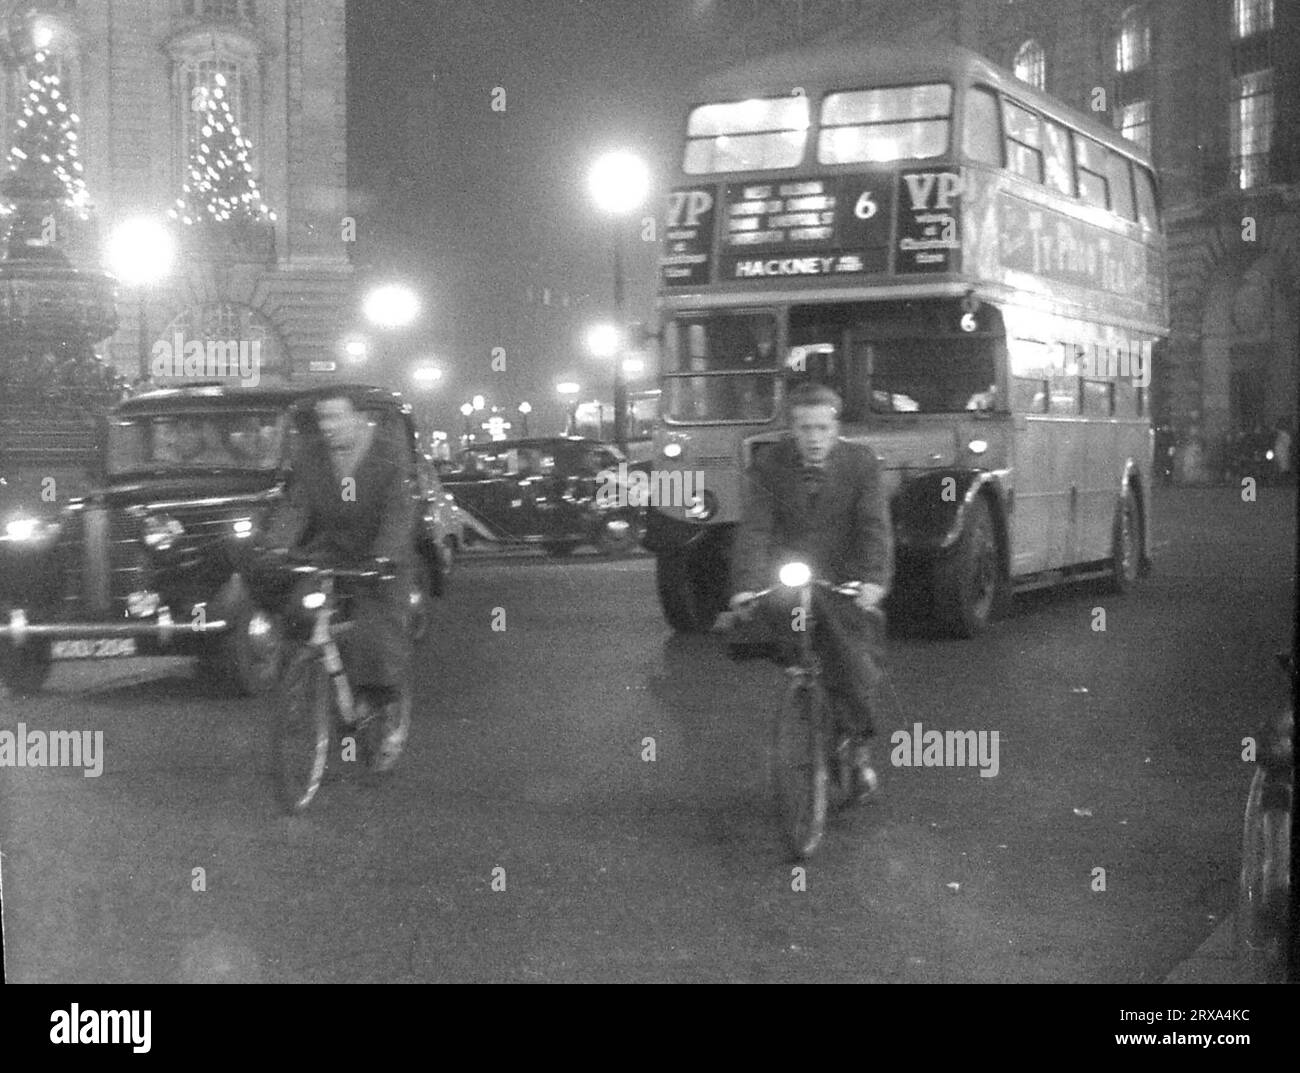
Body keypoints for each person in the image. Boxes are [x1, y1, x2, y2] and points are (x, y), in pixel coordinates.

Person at [729, 382, 893, 799]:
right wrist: (746, 587)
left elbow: (875, 526)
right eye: (804, 429)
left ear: (836, 426)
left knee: (854, 666)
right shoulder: (769, 464)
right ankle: (805, 692)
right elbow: (756, 528)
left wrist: (873, 580)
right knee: (778, 636)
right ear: (792, 429)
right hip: (791, 574)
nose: (814, 438)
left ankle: (857, 749)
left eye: (822, 428)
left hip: (844, 578)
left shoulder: (861, 463)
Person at [258, 390, 416, 771]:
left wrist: (385, 557)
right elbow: (297, 506)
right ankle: (301, 679)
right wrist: (277, 546)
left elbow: (399, 512)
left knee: (376, 630)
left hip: (379, 555)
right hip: (331, 552)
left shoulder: (389, 453)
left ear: (359, 418)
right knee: (296, 609)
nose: (327, 427)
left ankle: (386, 706)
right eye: (322, 420)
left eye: (336, 418)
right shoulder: (310, 457)